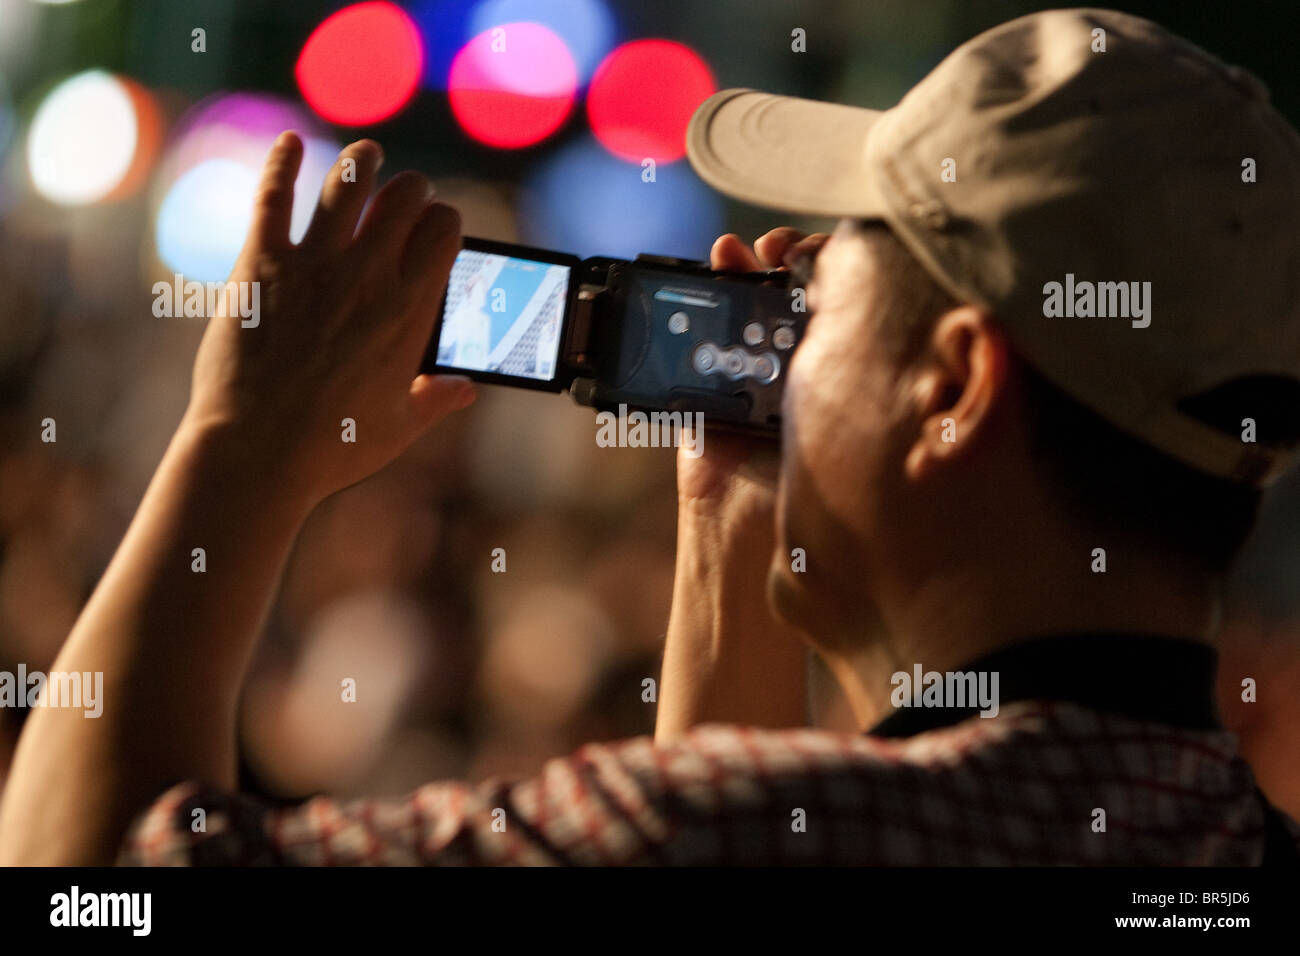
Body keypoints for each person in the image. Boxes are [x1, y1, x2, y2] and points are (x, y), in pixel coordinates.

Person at [2, 7, 1299, 866]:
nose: (783, 331)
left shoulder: (718, 829)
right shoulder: (1229, 844)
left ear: (953, 383)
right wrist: (732, 529)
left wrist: (237, 446)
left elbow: (94, 876)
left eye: (827, 293)